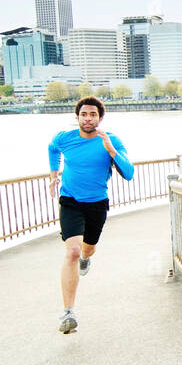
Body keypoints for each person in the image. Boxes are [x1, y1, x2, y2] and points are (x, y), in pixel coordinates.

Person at [47, 96, 134, 333]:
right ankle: (68, 313)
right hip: (70, 201)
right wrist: (54, 172)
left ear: (100, 118)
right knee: (72, 252)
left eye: (92, 114)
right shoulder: (65, 138)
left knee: (87, 249)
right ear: (77, 117)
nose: (88, 118)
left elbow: (129, 173)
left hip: (97, 203)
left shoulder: (111, 140)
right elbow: (52, 148)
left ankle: (87, 257)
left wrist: (111, 150)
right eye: (84, 114)